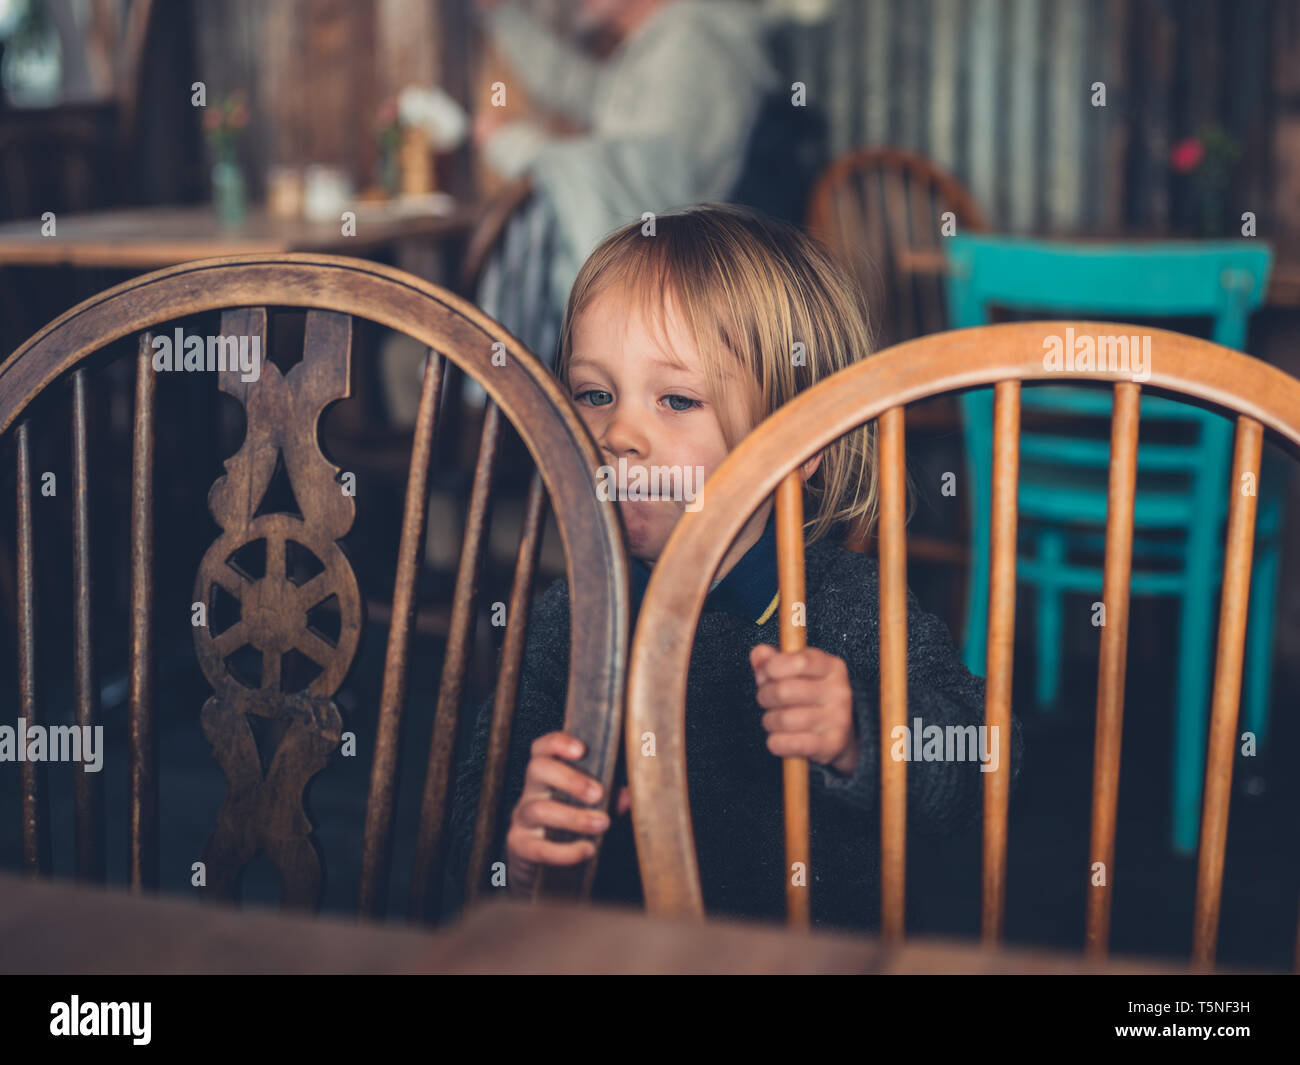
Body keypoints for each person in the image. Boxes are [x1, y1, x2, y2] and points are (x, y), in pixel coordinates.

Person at [446, 203, 1024, 931]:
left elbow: (986, 764)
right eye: (594, 394)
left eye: (678, 400)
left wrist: (861, 737)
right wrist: (518, 855)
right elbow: (469, 828)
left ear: (801, 440)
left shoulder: (850, 606)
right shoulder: (571, 617)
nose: (617, 434)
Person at [470, 0, 778, 368]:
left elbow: (635, 172)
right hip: (652, 268)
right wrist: (504, 16)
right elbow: (583, 89)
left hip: (677, 280)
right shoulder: (660, 43)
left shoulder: (691, 47)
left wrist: (510, 141)